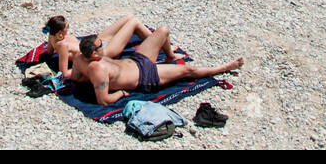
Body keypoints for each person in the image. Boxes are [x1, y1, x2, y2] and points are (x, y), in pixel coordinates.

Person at [73, 29, 242, 105]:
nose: (103, 45)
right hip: (146, 76)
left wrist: (82, 79)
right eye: (100, 45)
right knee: (187, 70)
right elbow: (103, 100)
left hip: (136, 61)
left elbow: (74, 77)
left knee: (163, 31)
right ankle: (223, 68)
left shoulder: (81, 57)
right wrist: (120, 93)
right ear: (94, 55)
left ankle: (170, 56)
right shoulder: (98, 69)